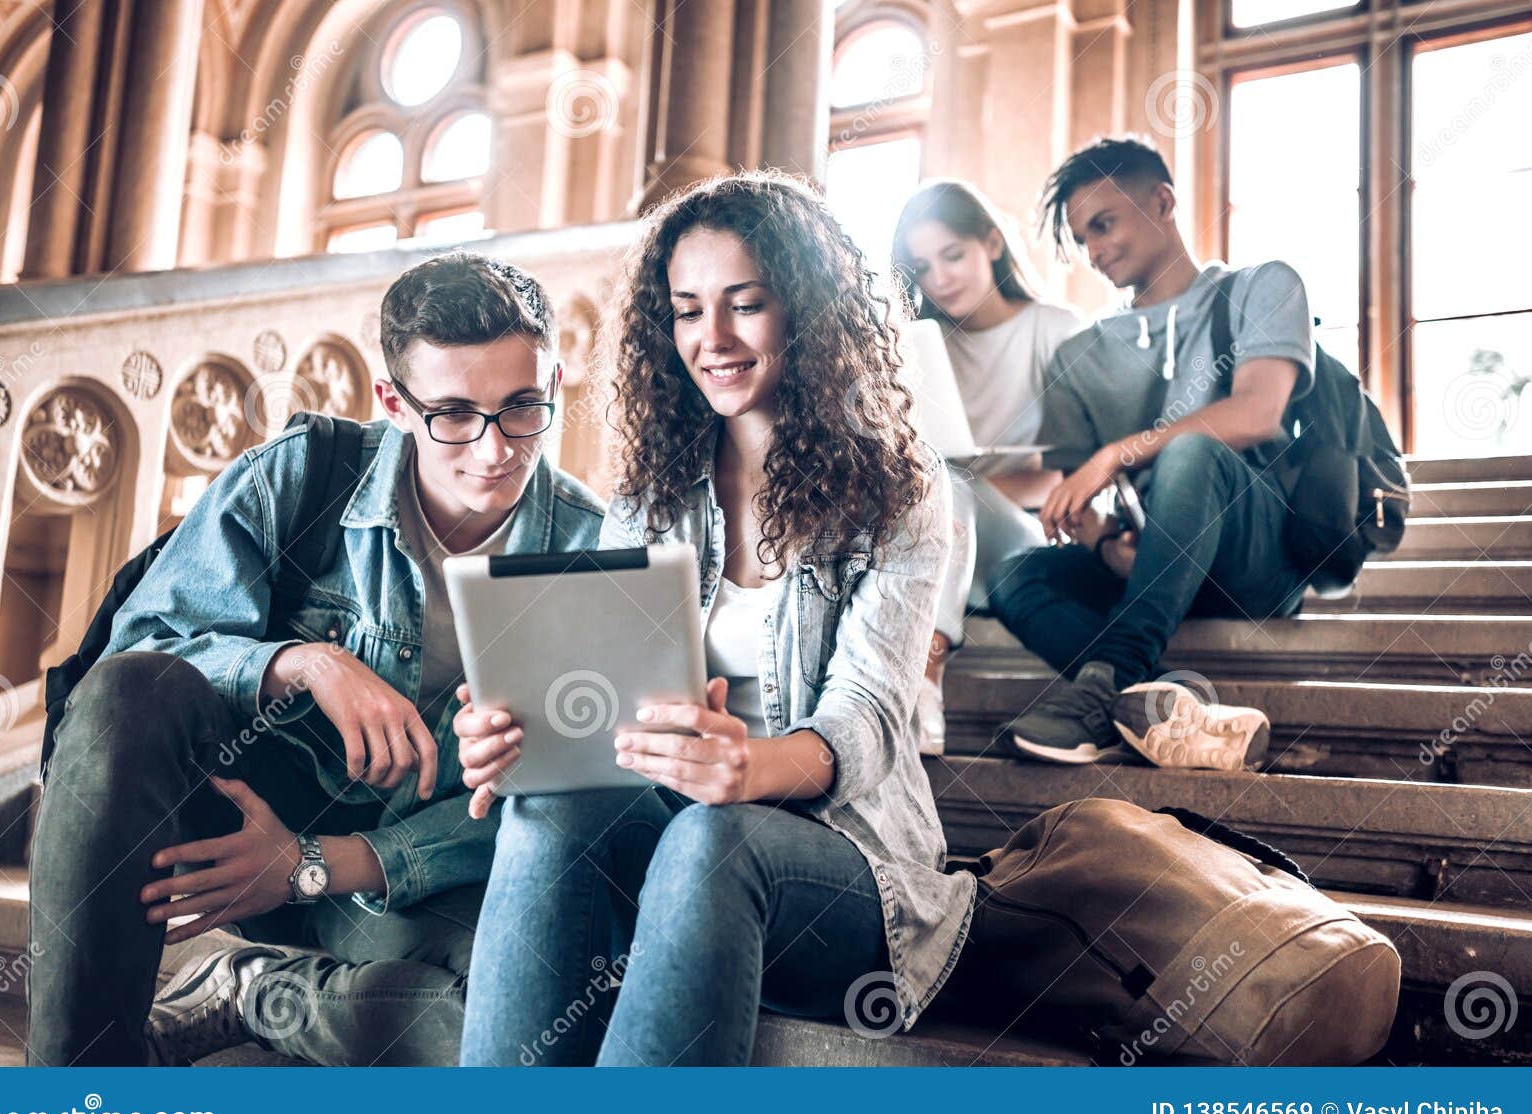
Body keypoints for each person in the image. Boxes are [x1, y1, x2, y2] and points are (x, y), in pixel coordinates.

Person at [26, 252, 604, 1066]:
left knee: (537, 1022)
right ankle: (78, 1094)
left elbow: (573, 799)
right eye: (453, 414)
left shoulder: (591, 551)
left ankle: (256, 991)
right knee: (129, 692)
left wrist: (313, 864)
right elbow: (134, 656)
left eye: (522, 408)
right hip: (217, 832)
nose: (495, 448)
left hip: (401, 879)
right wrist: (303, 662)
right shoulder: (300, 476)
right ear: (393, 404)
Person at [453, 172, 975, 1066]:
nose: (714, 339)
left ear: (807, 311)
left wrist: (749, 768)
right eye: (688, 311)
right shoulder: (654, 493)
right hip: (682, 841)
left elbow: (871, 719)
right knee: (545, 812)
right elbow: (612, 696)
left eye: (746, 305)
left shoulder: (902, 485)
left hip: (851, 865)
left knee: (710, 834)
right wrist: (522, 732)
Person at [991, 136, 1307, 770]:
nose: (1095, 251)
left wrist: (1120, 452)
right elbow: (1069, 503)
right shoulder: (1079, 355)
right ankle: (1167, 699)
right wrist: (1108, 545)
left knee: (1193, 451)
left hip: (1253, 561)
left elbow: (1257, 410)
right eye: (1083, 240)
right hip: (1150, 568)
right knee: (1013, 576)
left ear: (1162, 202)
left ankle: (1109, 681)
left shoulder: (1261, 287)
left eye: (1104, 225)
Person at [891, 180, 1082, 753]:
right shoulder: (917, 348)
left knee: (949, 484)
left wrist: (973, 483)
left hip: (1023, 537)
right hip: (939, 539)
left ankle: (928, 671)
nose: (941, 278)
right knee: (937, 482)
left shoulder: (1055, 328)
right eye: (923, 267)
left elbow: (1072, 476)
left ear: (992, 244)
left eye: (953, 255)